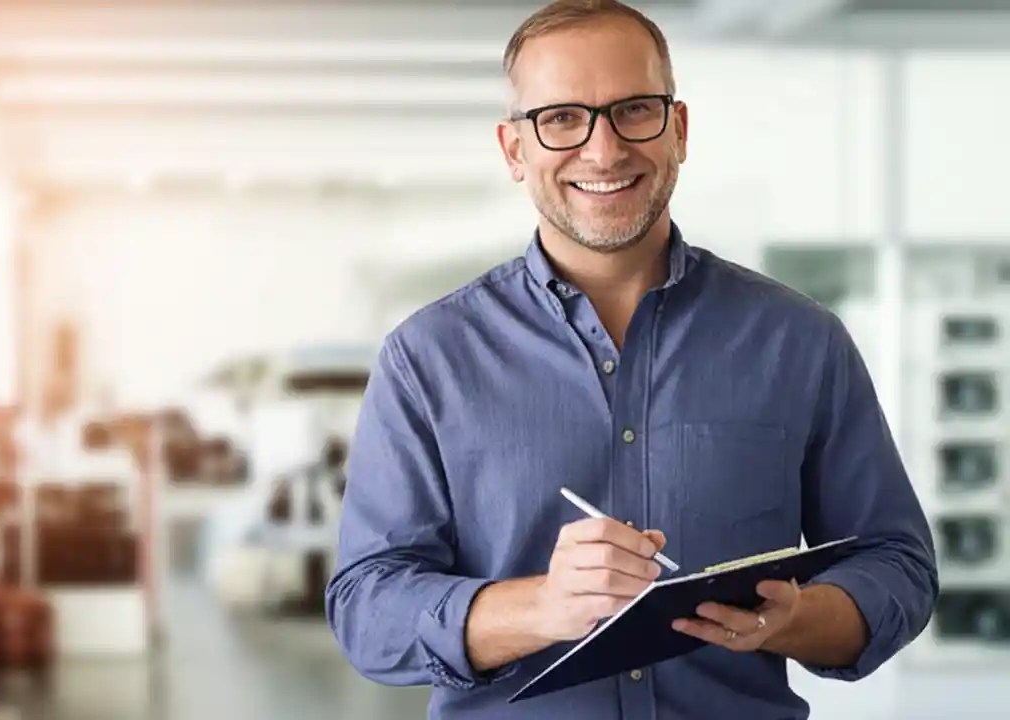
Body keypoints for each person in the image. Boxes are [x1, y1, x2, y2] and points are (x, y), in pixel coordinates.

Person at [323, 1, 939, 718]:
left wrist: (798, 618)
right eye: (561, 119)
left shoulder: (799, 341)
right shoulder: (427, 358)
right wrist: (539, 607)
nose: (604, 150)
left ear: (678, 130)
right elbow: (366, 608)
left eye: (634, 110)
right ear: (513, 149)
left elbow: (899, 566)